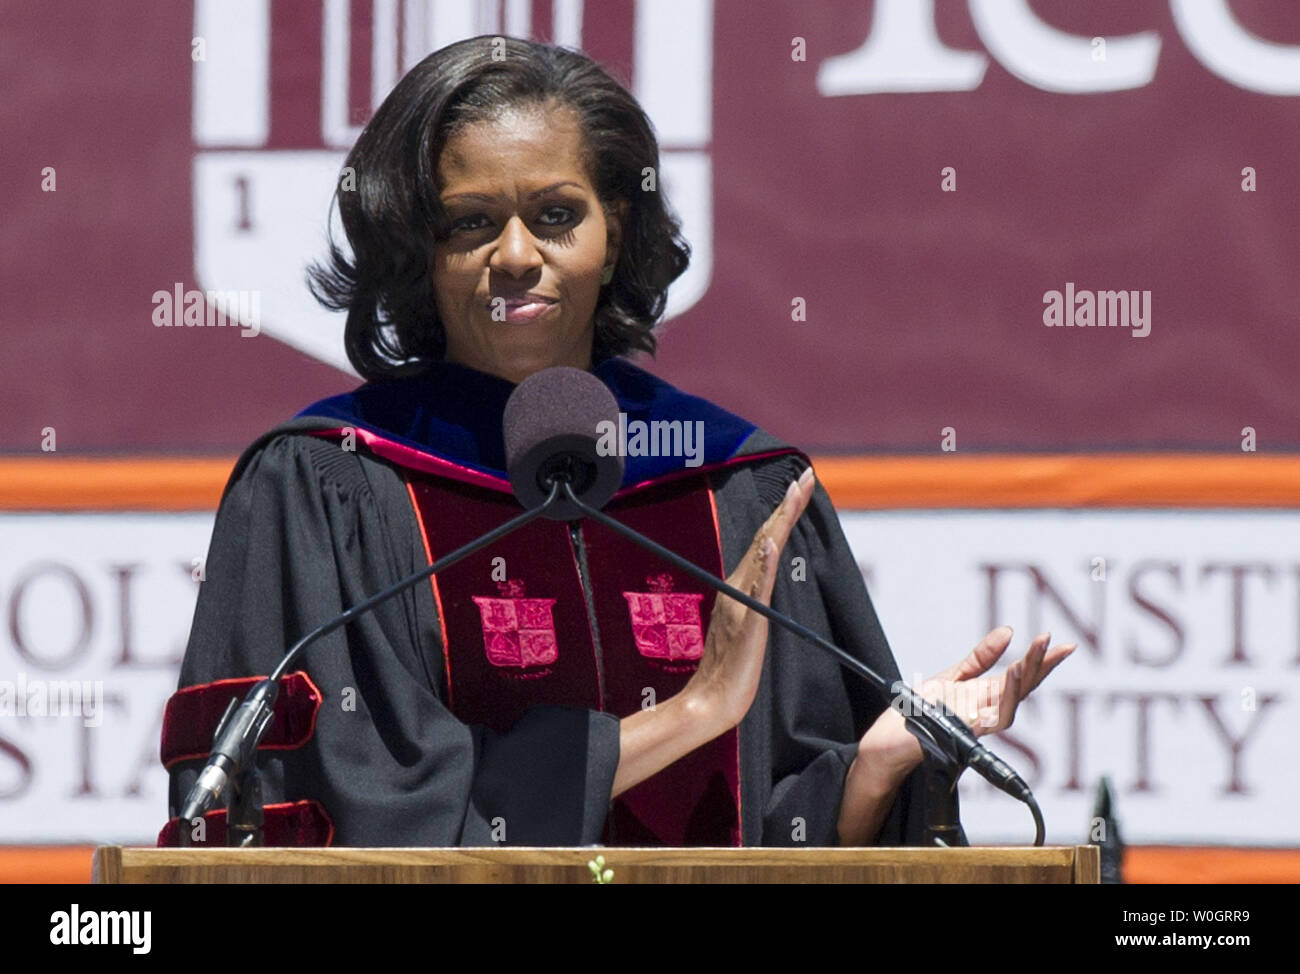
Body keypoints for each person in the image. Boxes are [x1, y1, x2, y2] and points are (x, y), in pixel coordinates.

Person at [164, 36, 1073, 848]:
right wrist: (692, 713)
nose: (515, 254)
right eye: (470, 221)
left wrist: (874, 768)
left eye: (556, 214)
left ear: (617, 227)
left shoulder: (735, 485)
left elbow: (788, 831)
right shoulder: (327, 484)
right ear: (417, 246)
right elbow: (352, 809)